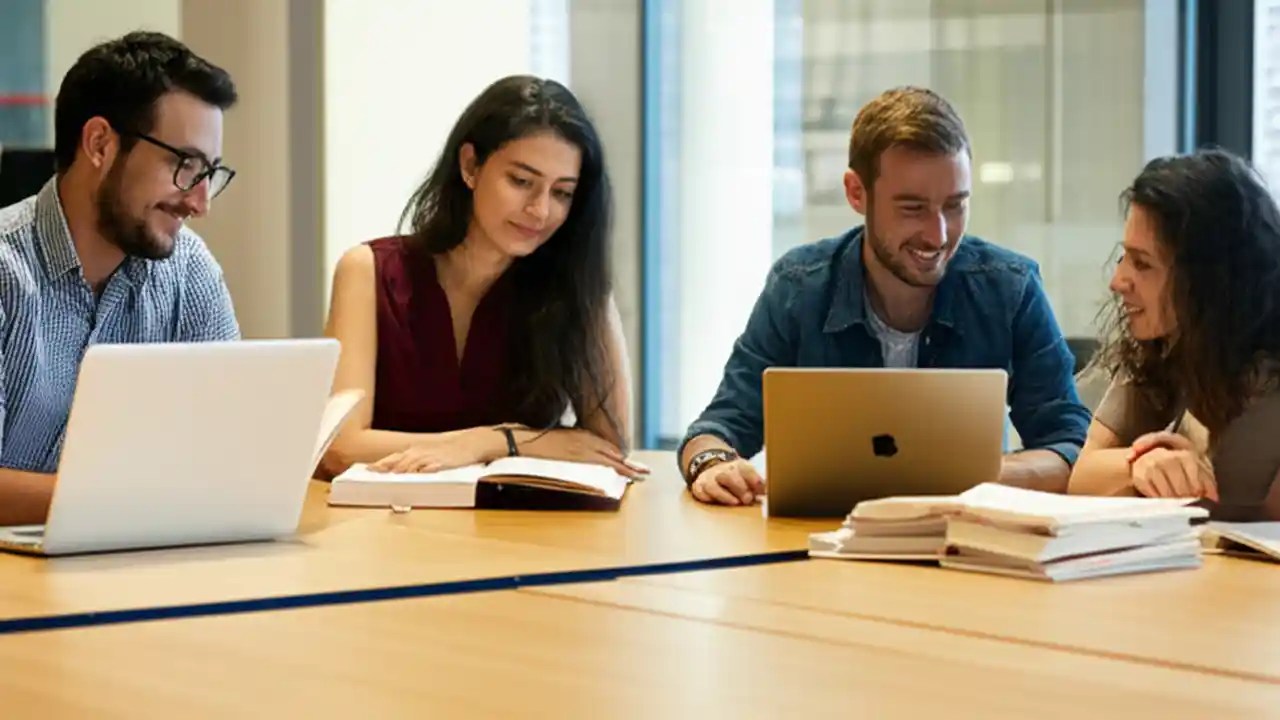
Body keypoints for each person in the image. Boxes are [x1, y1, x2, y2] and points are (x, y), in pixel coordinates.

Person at [679, 86, 1090, 506]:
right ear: (856, 193)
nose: (939, 234)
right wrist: (712, 465)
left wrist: (977, 477)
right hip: (813, 551)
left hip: (961, 548)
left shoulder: (1011, 288)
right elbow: (717, 427)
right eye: (913, 208)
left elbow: (1072, 446)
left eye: (955, 205)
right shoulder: (798, 286)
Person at [322, 76, 643, 480]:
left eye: (562, 193)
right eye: (522, 182)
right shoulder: (367, 271)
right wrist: (519, 442)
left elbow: (608, 448)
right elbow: (339, 448)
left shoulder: (573, 284)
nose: (540, 211)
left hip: (521, 532)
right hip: (387, 528)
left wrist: (486, 442)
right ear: (470, 165)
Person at [0, 32, 240, 525]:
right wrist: (136, 502)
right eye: (184, 164)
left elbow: (229, 450)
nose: (200, 203)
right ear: (100, 144)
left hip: (140, 572)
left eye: (209, 172)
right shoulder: (7, 272)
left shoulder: (188, 271)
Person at [1069, 148, 1280, 519]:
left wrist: (1184, 491)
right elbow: (1082, 477)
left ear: (1208, 281)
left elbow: (1268, 525)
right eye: (1124, 257)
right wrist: (1141, 463)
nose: (1118, 281)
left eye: (1143, 264)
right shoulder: (1161, 347)